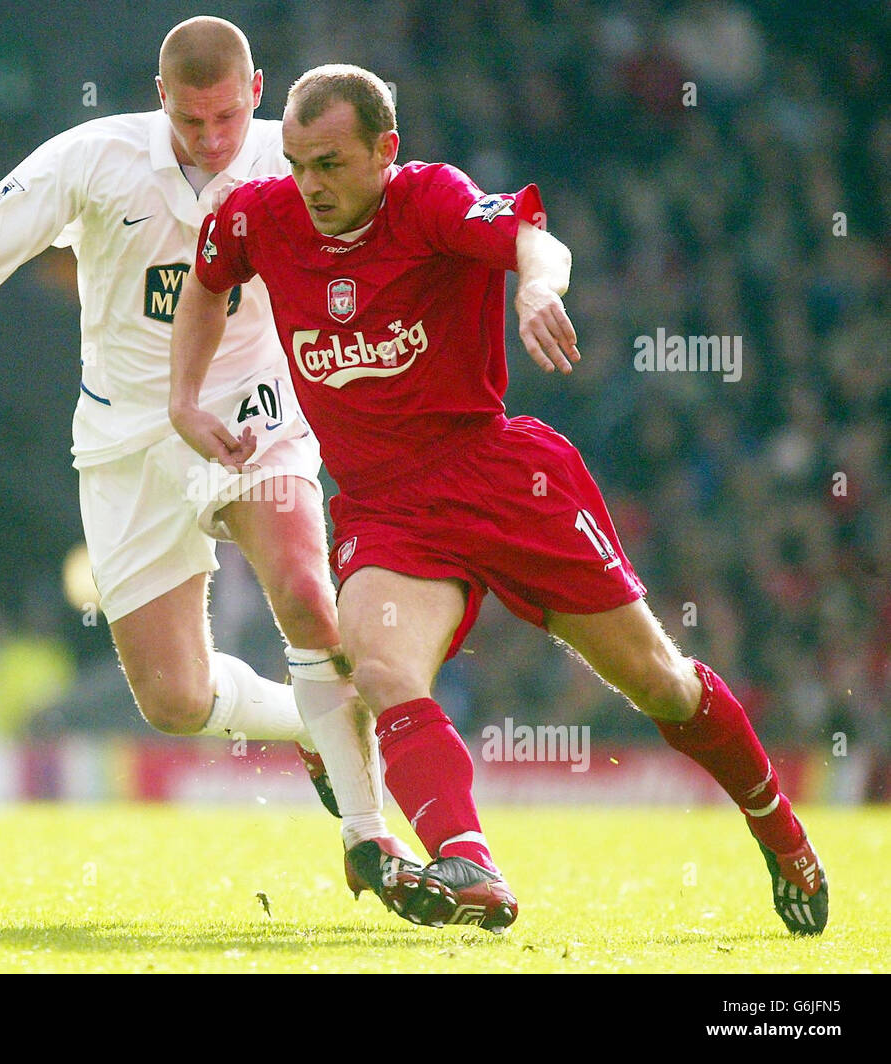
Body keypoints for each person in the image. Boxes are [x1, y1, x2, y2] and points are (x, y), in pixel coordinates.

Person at [170, 63, 828, 935]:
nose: (310, 185)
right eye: (296, 162)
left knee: (659, 684)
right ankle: (469, 860)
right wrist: (185, 398)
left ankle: (780, 831)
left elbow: (532, 238)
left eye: (330, 163)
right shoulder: (262, 215)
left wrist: (541, 289)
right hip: (383, 507)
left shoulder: (431, 200)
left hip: (498, 478)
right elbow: (209, 278)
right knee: (377, 668)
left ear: (385, 150)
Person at [0, 20, 424, 914]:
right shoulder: (97, 157)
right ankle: (309, 723)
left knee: (305, 593)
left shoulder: (296, 162)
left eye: (225, 119)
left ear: (255, 94)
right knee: (174, 699)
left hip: (254, 415)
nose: (212, 141)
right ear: (159, 95)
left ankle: (369, 833)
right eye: (191, 120)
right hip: (129, 441)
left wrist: (517, 266)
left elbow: (409, 219)